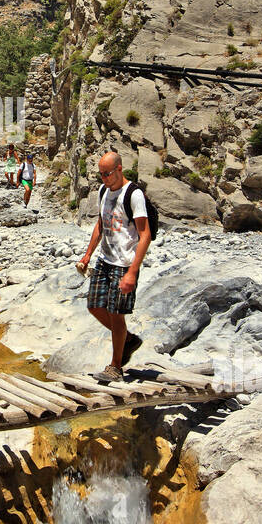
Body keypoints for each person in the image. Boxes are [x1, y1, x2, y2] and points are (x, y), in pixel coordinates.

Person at [76, 152, 150, 381]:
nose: (104, 178)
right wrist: (88, 254)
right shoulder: (103, 191)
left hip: (124, 263)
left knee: (116, 315)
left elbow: (144, 234)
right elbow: (101, 223)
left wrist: (132, 272)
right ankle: (128, 339)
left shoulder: (134, 194)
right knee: (94, 306)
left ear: (119, 169)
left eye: (107, 174)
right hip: (104, 260)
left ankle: (116, 367)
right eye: (101, 174)